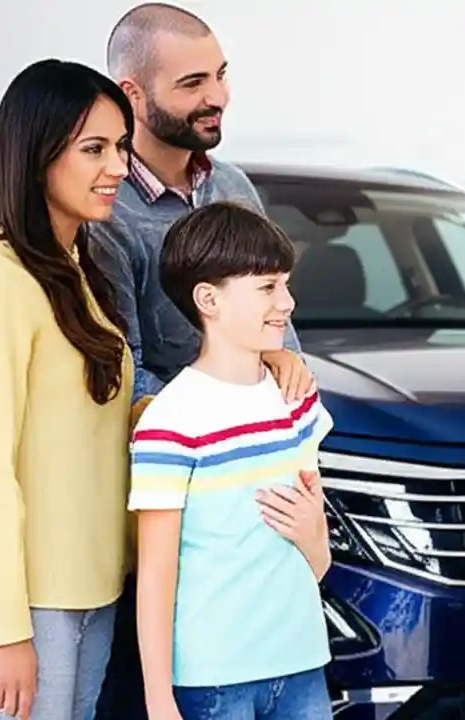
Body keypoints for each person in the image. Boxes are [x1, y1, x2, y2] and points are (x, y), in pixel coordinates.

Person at [91, 5, 318, 716]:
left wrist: (283, 371)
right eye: (193, 82)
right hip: (178, 486)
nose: (217, 95)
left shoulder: (234, 188)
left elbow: (280, 327)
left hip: (270, 542)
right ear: (132, 94)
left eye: (221, 75)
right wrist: (222, 401)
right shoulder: (106, 207)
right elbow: (120, 365)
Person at [0, 59, 135, 719]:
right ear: (37, 154)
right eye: (95, 149)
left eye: (122, 147)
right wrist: (4, 632)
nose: (118, 168)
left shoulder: (77, 269)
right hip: (25, 607)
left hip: (87, 592)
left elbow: (91, 424)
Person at [129, 202, 334, 720]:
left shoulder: (298, 400)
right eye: (267, 287)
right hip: (213, 680)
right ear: (208, 299)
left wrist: (313, 536)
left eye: (285, 284)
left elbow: (320, 559)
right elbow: (155, 573)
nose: (286, 302)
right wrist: (158, 700)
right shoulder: (169, 420)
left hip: (302, 665)